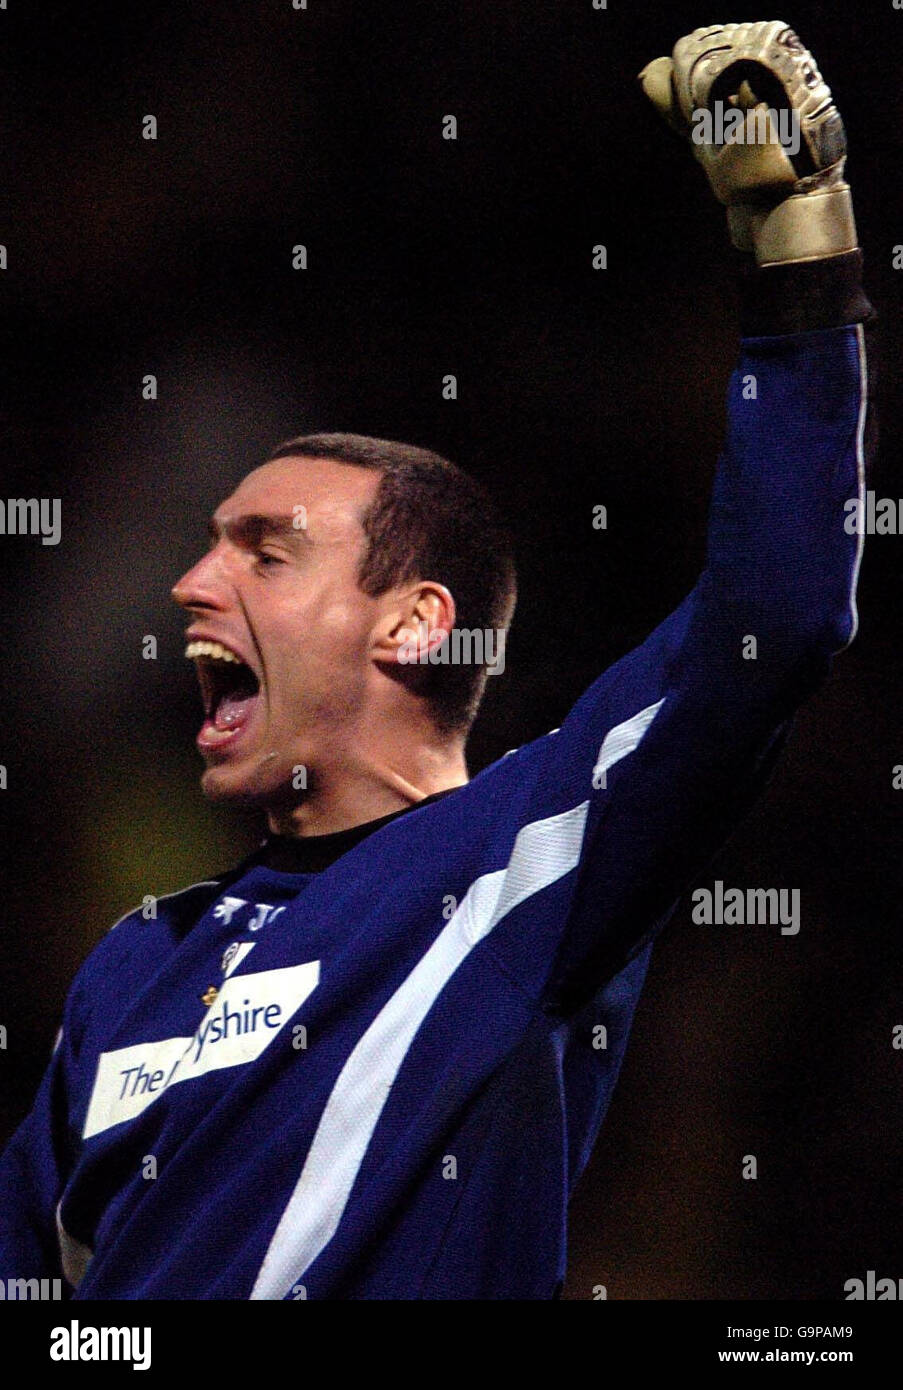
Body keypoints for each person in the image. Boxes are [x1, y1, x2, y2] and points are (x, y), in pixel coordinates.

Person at [0, 21, 877, 1299]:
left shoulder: (522, 858)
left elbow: (780, 616)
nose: (193, 583)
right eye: (205, 548)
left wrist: (799, 273)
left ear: (412, 623)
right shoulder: (131, 965)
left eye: (266, 552)